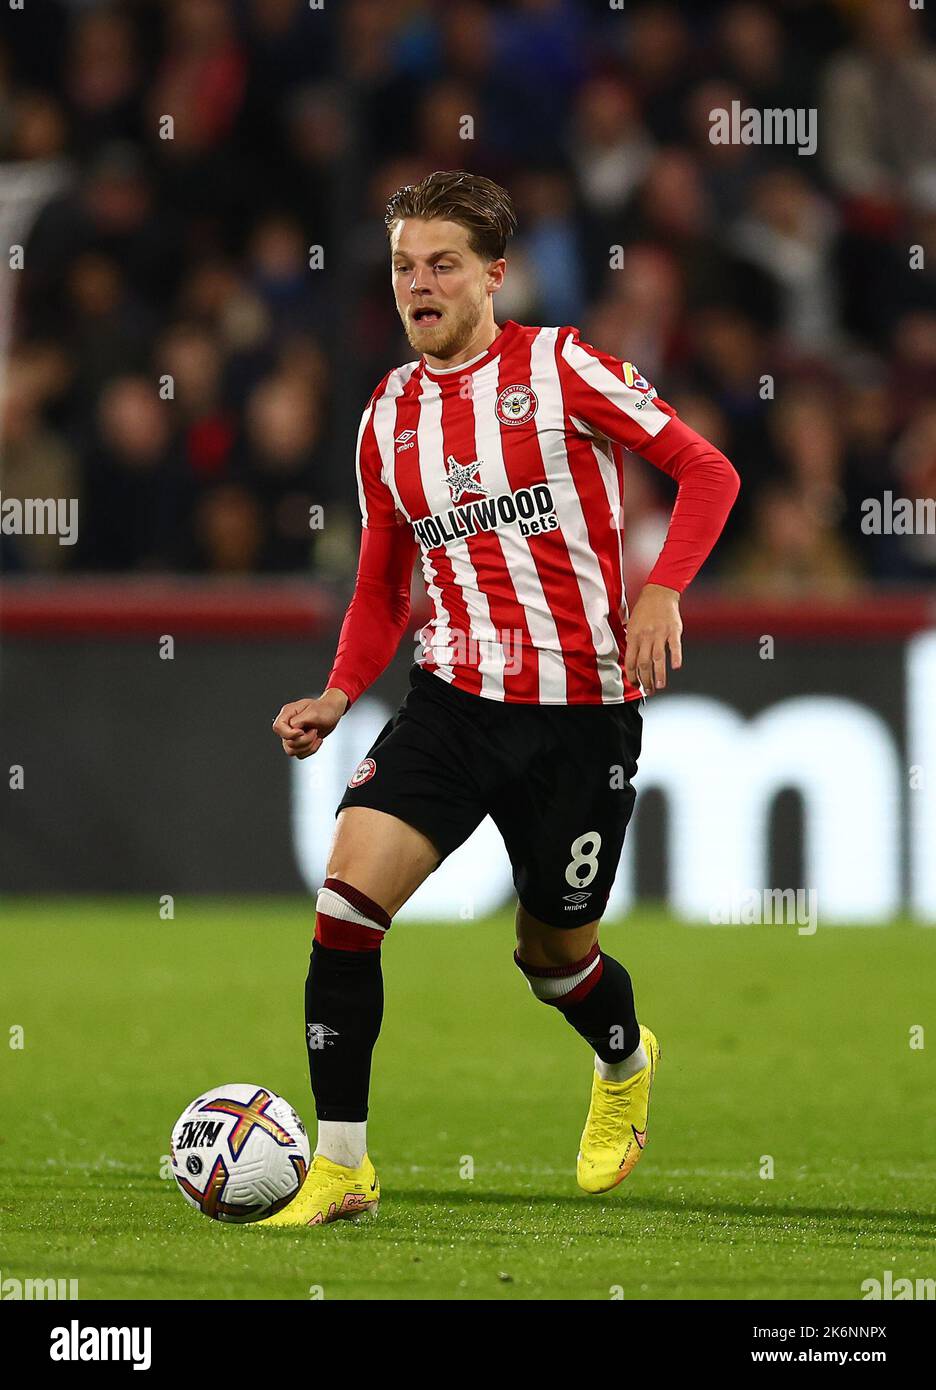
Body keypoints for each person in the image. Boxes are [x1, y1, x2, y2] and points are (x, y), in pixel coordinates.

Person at [265, 171, 740, 1227]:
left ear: (494, 272)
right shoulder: (388, 415)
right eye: (401, 267)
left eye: (440, 263)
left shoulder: (565, 366)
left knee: (552, 954)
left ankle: (623, 1058)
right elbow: (387, 583)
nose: (418, 285)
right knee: (345, 905)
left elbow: (709, 472)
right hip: (453, 700)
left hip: (582, 714)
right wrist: (343, 689)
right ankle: (342, 1167)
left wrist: (662, 591)